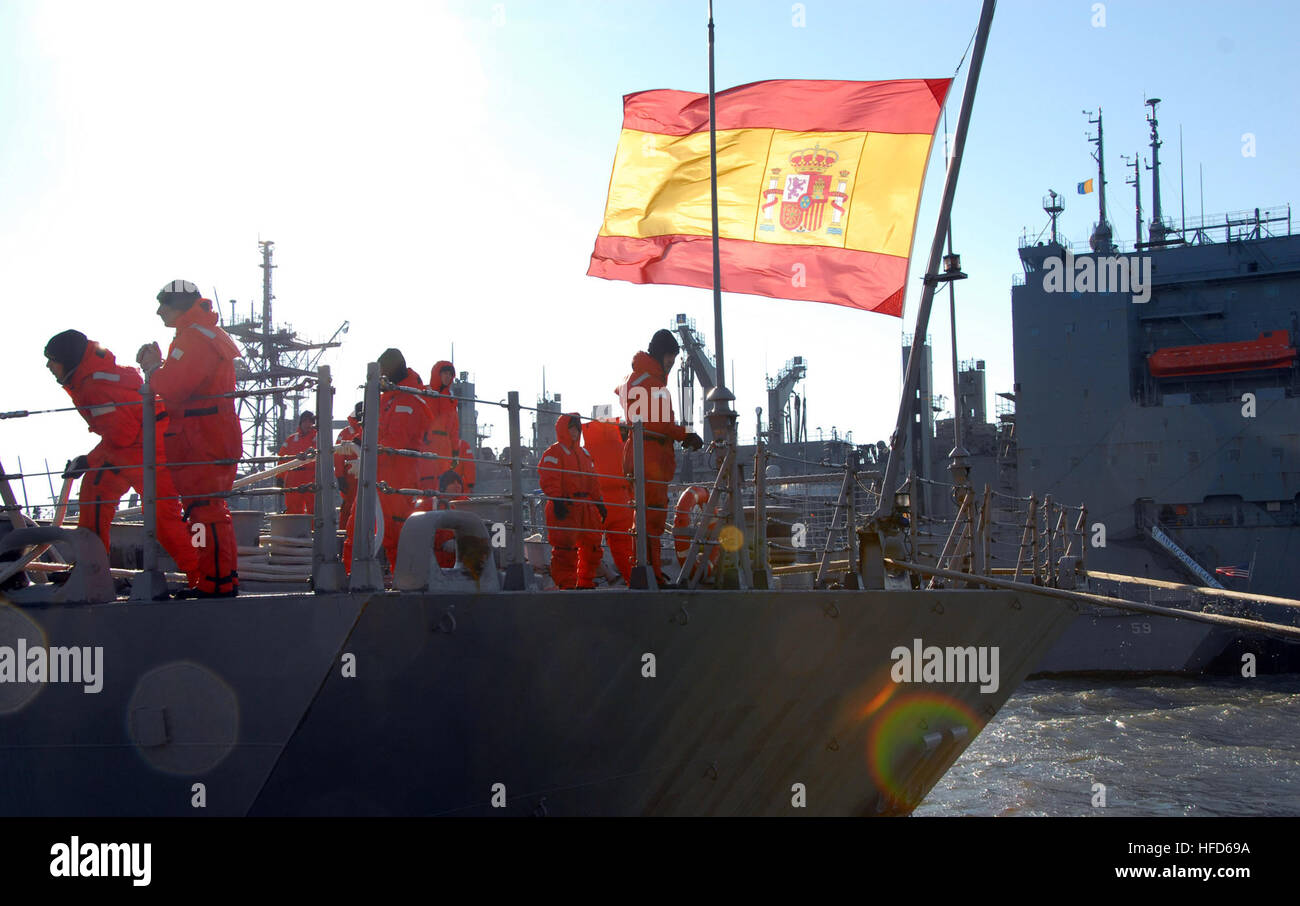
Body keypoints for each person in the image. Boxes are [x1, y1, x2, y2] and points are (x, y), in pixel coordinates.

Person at [44, 329, 199, 587]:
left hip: (152, 450)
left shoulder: (94, 386)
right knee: (95, 491)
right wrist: (91, 461)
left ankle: (201, 576)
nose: (49, 365)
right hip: (131, 449)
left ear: (68, 359)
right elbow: (121, 436)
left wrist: (88, 460)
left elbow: (122, 436)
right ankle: (91, 567)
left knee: (164, 519)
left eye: (53, 359)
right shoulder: (89, 377)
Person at [136, 280, 242, 598]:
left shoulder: (195, 337)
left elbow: (174, 386)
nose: (158, 311)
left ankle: (215, 583)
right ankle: (210, 578)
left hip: (202, 439)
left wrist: (152, 367)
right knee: (202, 510)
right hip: (204, 436)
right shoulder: (200, 334)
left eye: (163, 305)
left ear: (178, 305)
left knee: (205, 510)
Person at [616, 329, 703, 585]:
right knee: (651, 517)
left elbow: (627, 400)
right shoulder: (652, 383)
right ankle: (648, 571)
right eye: (670, 357)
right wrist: (686, 435)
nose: (672, 363)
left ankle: (646, 568)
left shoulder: (636, 378)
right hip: (650, 455)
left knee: (646, 515)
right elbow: (660, 424)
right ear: (659, 353)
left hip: (642, 453)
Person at [343, 348, 432, 572]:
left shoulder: (408, 400)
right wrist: (358, 440)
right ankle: (351, 577)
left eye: (382, 372)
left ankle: (405, 582)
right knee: (357, 528)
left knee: (395, 536)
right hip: (378, 475)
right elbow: (377, 430)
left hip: (397, 478)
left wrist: (366, 446)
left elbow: (396, 440)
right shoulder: (390, 399)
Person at [538, 412, 606, 589]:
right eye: (571, 429)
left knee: (592, 547)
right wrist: (557, 500)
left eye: (576, 429)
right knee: (565, 549)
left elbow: (593, 480)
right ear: (563, 430)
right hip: (565, 505)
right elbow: (549, 478)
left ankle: (585, 582)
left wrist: (599, 502)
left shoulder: (584, 454)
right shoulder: (554, 452)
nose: (574, 432)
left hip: (586, 506)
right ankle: (567, 584)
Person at [582, 418, 633, 583]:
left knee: (588, 547)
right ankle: (633, 580)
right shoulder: (623, 449)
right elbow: (631, 477)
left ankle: (584, 583)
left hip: (596, 504)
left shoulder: (584, 451)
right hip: (621, 503)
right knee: (625, 549)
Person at [418, 360, 459, 495]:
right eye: (445, 373)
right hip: (427, 443)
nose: (447, 377)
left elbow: (454, 429)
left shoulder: (451, 400)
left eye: (450, 374)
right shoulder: (424, 393)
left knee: (443, 481)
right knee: (426, 479)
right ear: (438, 374)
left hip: (445, 446)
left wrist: (455, 452)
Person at [277, 411, 317, 515]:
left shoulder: (319, 439)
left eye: (310, 421)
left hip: (312, 476)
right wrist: (280, 477)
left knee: (314, 509)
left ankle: (314, 531)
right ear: (300, 423)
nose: (307, 424)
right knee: (293, 509)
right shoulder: (290, 440)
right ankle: (295, 530)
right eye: (305, 421)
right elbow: (282, 459)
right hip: (293, 477)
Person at [334, 402, 363, 529]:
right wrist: (340, 477)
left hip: (372, 473)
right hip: (350, 477)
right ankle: (344, 536)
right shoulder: (345, 433)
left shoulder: (375, 427)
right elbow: (338, 456)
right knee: (349, 507)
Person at [432, 469, 467, 569]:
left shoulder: (469, 504)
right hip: (439, 561)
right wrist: (442, 543)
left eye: (459, 482)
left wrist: (460, 542)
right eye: (451, 483)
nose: (457, 485)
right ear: (443, 487)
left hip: (464, 559)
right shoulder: (433, 504)